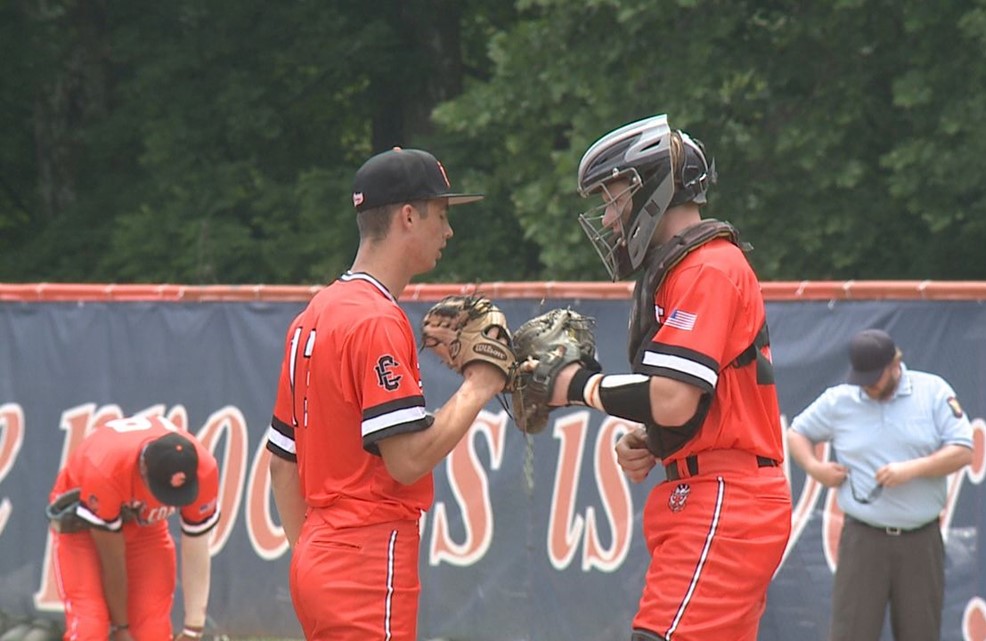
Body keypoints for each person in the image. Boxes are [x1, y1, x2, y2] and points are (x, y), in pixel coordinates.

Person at [545, 114, 792, 641]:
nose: (610, 219)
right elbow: (695, 405)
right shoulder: (691, 267)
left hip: (724, 497)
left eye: (614, 199)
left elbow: (674, 398)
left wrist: (576, 385)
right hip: (712, 491)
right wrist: (663, 441)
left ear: (654, 186)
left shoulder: (706, 266)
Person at [265, 147, 509, 640]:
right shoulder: (376, 319)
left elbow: (281, 466)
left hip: (319, 554)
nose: (448, 230)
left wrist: (317, 557)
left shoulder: (313, 316)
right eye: (441, 215)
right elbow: (406, 459)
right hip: (366, 558)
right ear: (407, 216)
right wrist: (481, 385)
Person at [786, 328, 974, 641]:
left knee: (920, 633)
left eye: (875, 378)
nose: (868, 387)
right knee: (851, 633)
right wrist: (815, 468)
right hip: (863, 539)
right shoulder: (841, 400)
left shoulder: (933, 392)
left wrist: (912, 469)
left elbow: (963, 451)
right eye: (863, 379)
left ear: (894, 365)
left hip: (920, 540)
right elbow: (797, 433)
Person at [46, 414, 220, 641]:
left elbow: (196, 545)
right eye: (163, 493)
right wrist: (121, 627)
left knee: (152, 632)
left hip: (143, 525)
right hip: (83, 525)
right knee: (91, 628)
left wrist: (192, 630)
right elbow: (112, 560)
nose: (170, 501)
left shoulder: (203, 470)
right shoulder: (107, 469)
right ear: (143, 469)